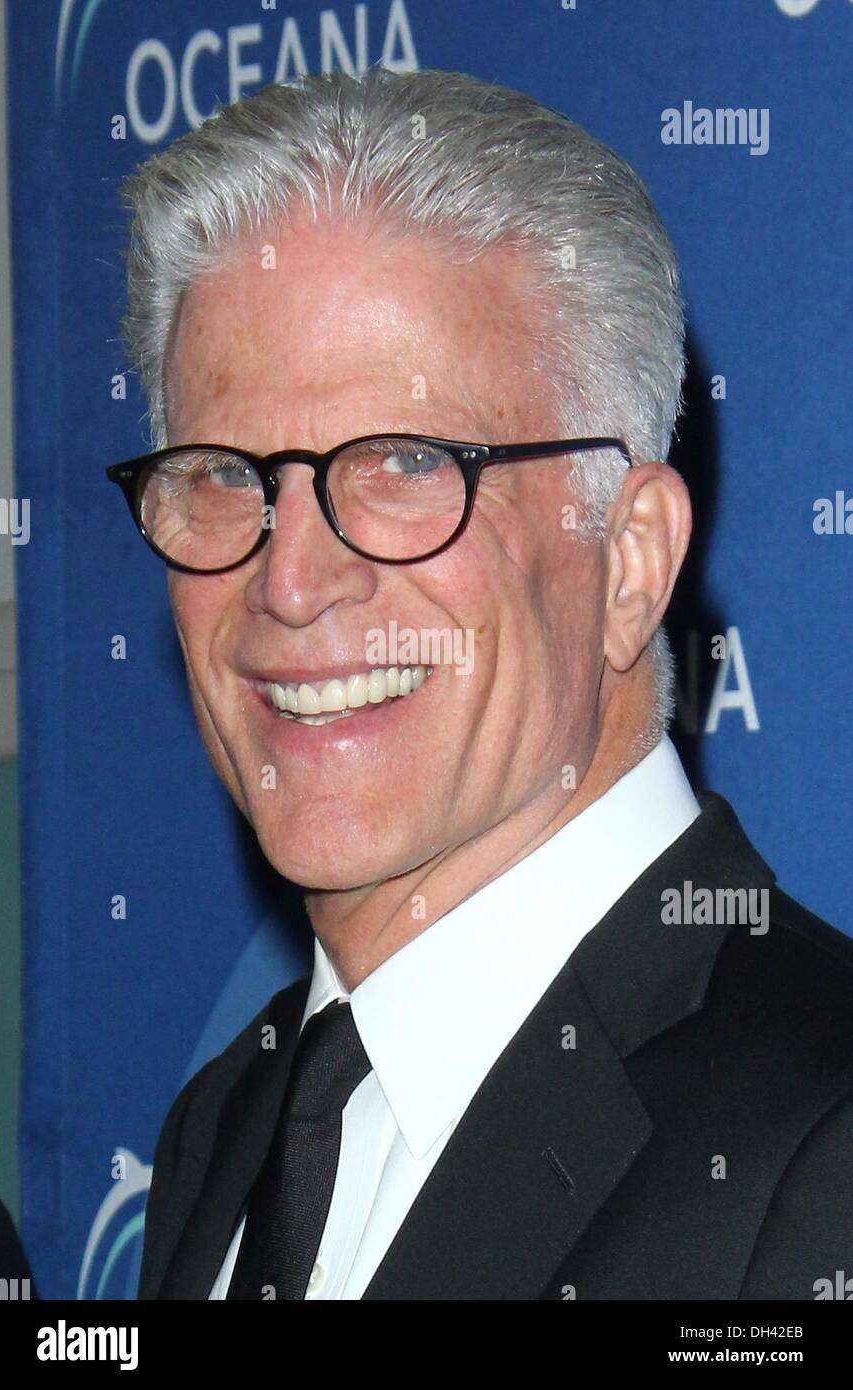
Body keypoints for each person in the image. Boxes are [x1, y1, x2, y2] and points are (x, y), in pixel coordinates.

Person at [109, 68, 853, 1301]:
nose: (289, 581)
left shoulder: (820, 1153)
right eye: (224, 473)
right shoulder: (227, 1125)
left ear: (628, 559)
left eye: (404, 463)